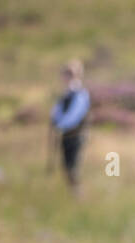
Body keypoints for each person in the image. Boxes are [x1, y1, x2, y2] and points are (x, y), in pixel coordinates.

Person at [50, 60, 91, 194]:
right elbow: (57, 111)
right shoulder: (66, 94)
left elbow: (74, 115)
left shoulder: (79, 94)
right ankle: (74, 193)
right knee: (67, 166)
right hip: (67, 135)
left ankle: (78, 194)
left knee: (72, 166)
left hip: (75, 135)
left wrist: (60, 124)